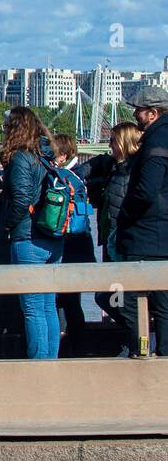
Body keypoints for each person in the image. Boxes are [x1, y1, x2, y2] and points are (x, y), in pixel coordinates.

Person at [0, 107, 61, 359]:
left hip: (28, 237)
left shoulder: (21, 158)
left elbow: (22, 200)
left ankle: (38, 367)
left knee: (33, 309)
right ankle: (52, 362)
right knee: (48, 307)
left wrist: (8, 224)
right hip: (52, 238)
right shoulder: (46, 156)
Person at [77, 122, 141, 352]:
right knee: (111, 298)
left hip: (123, 245)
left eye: (113, 141)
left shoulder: (134, 170)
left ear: (123, 142)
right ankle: (136, 338)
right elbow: (83, 170)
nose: (109, 145)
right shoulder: (112, 165)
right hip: (111, 242)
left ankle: (137, 341)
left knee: (117, 299)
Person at [115, 85, 168, 355]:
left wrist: (125, 214)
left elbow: (146, 191)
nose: (135, 114)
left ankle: (143, 356)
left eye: (138, 110)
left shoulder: (158, 142)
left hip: (148, 237)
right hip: (158, 235)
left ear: (153, 113)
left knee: (129, 301)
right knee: (161, 305)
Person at [49, 133, 97, 356]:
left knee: (59, 300)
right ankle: (79, 345)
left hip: (64, 244)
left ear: (63, 155)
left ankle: (64, 347)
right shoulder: (79, 179)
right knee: (72, 301)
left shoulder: (60, 177)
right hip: (81, 243)